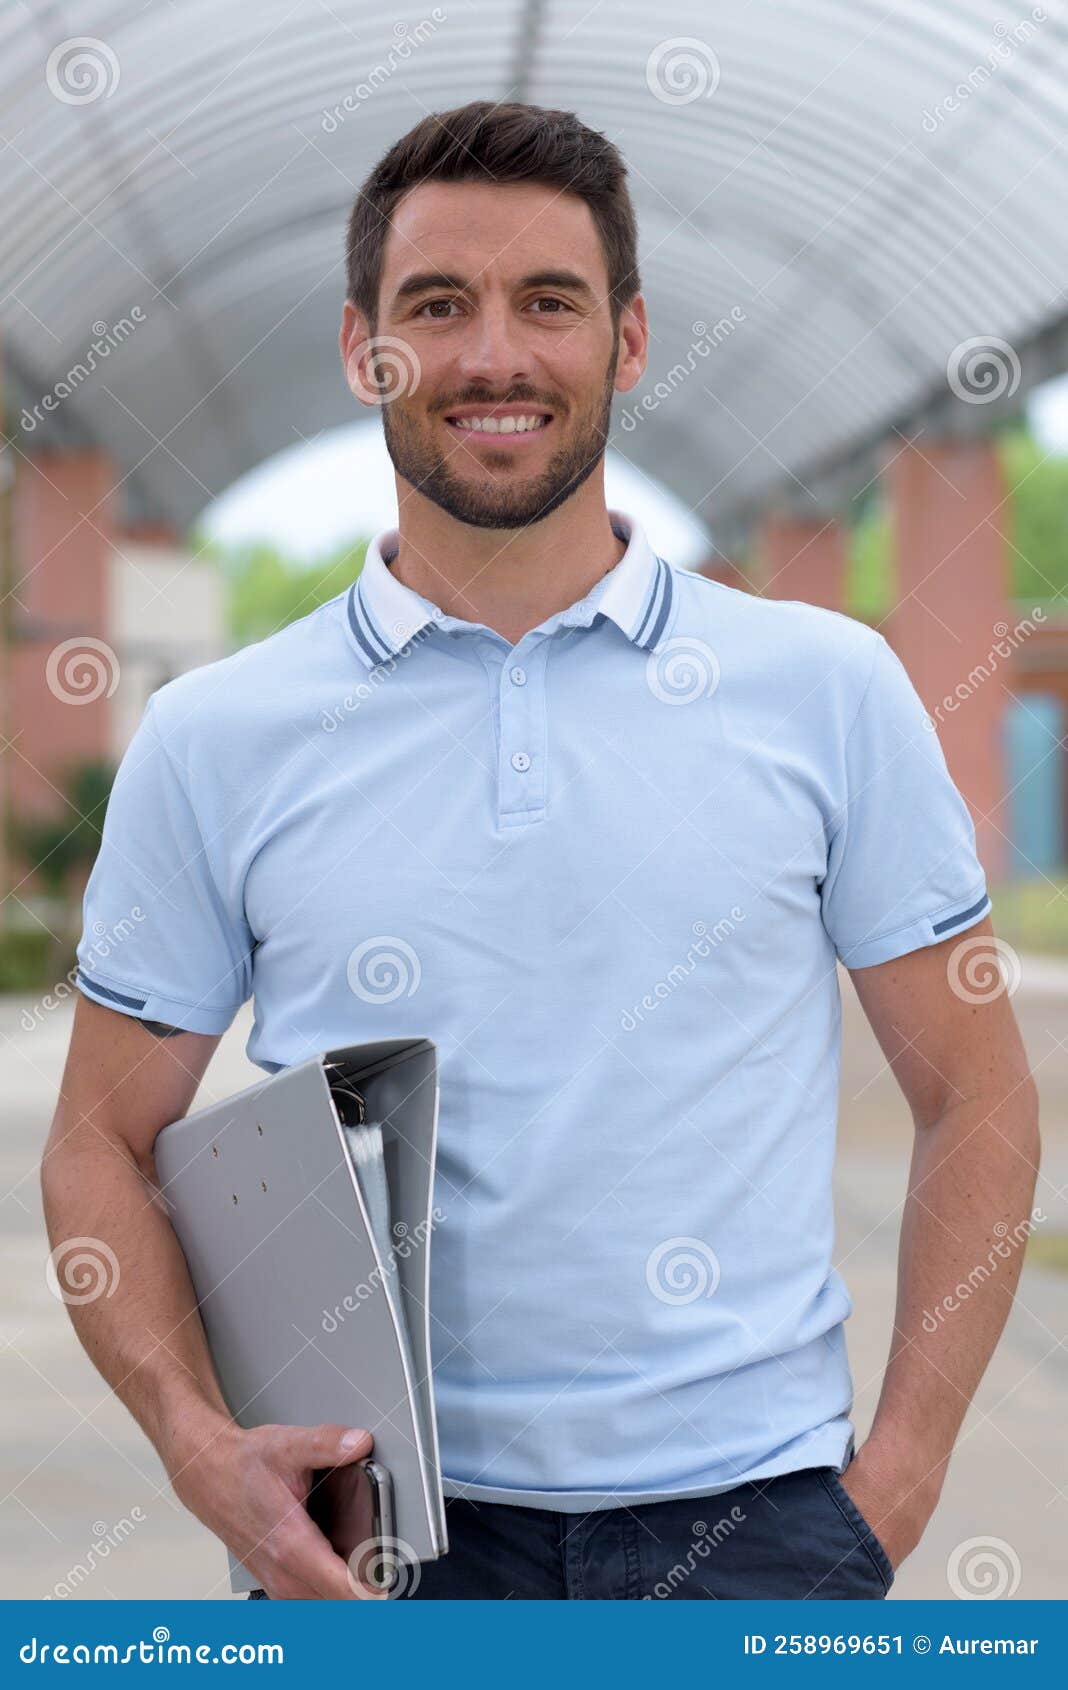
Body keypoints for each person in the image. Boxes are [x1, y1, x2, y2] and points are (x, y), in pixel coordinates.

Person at [43, 99, 1039, 1602]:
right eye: (437, 306)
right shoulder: (220, 736)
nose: (494, 356)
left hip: (755, 1529)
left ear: (630, 344)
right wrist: (198, 1446)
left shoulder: (826, 691)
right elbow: (96, 1146)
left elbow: (980, 1093)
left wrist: (890, 1486)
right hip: (367, 1539)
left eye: (548, 304)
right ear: (362, 349)